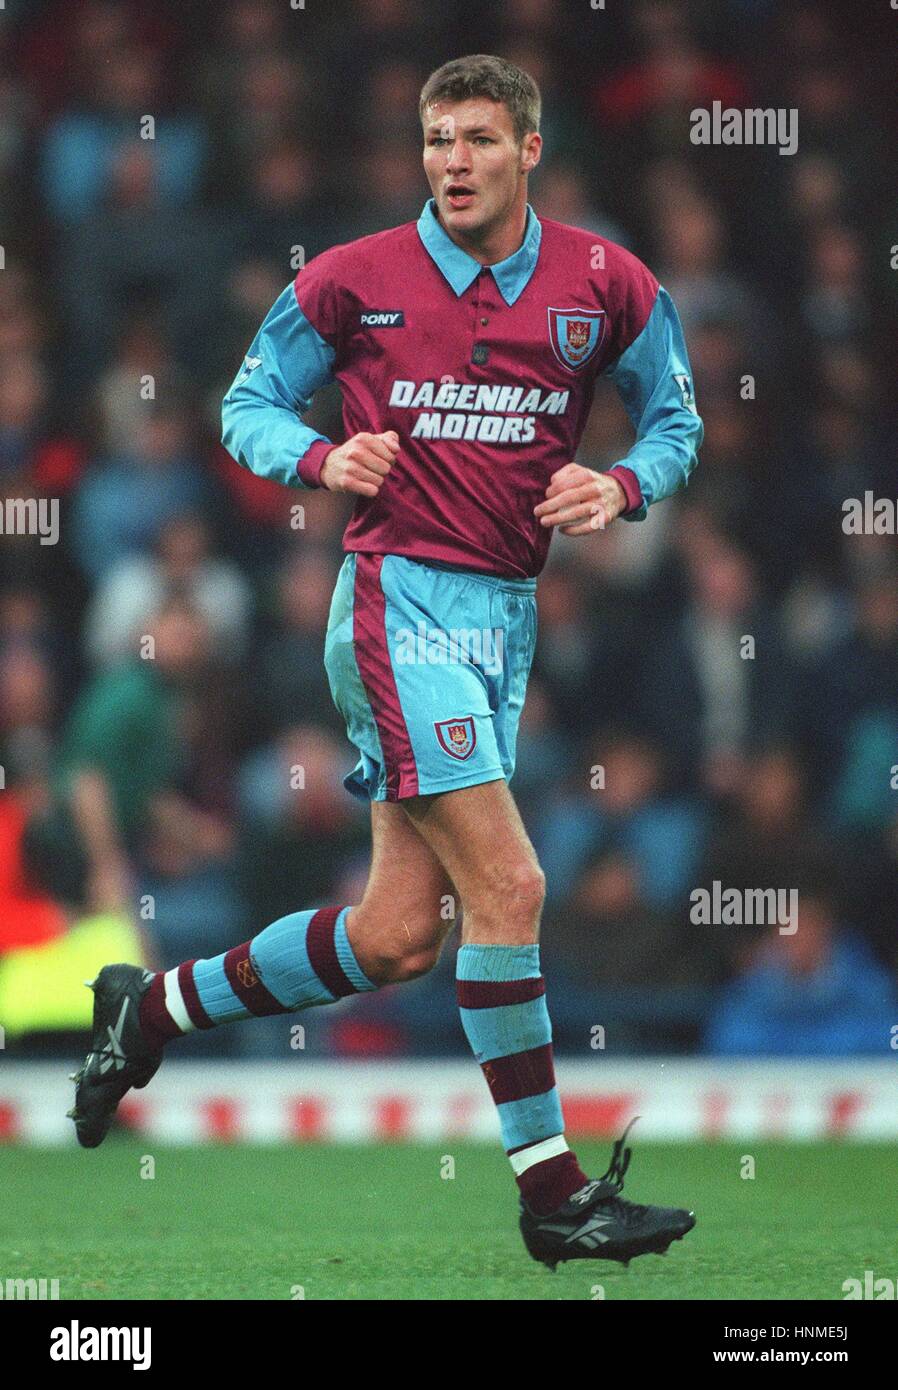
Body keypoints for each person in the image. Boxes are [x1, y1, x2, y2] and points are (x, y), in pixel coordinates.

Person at [70, 54, 702, 1270]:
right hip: (391, 602)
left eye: (474, 138)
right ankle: (552, 1193)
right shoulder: (351, 280)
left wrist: (621, 483)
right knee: (509, 888)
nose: (450, 161)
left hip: (504, 616)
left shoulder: (604, 279)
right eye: (433, 140)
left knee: (400, 935)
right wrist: (318, 461)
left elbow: (678, 417)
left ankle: (145, 1009)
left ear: (529, 148)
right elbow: (244, 406)